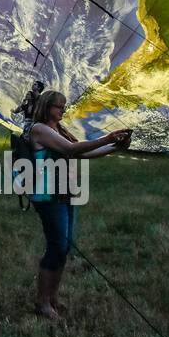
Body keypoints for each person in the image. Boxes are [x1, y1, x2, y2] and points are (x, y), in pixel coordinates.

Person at [25, 90, 131, 320]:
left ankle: (52, 298)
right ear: (47, 106)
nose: (63, 110)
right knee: (56, 247)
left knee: (64, 247)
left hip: (65, 193)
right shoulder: (39, 129)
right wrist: (108, 138)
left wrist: (116, 147)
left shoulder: (59, 130)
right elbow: (71, 149)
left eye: (64, 106)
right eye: (59, 106)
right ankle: (42, 302)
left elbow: (84, 153)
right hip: (48, 195)